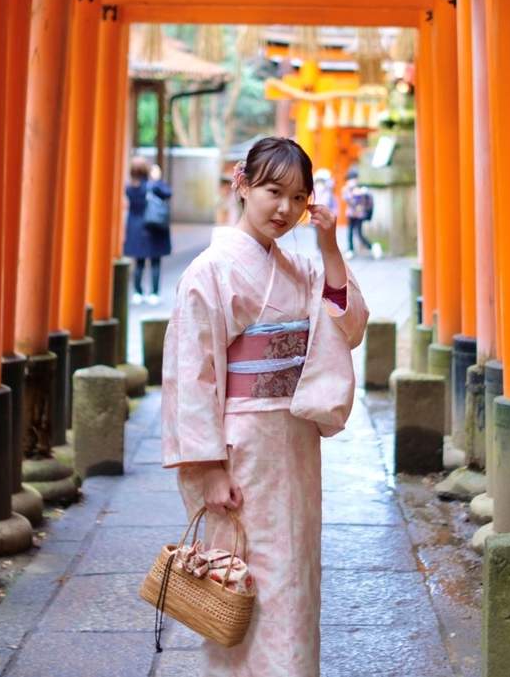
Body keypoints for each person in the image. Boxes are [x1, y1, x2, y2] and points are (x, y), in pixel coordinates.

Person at [161, 136, 369, 677]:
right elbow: (194, 376)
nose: (285, 209)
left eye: (299, 198)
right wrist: (207, 468)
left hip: (293, 443)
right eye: (273, 191)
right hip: (241, 446)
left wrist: (328, 248)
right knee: (246, 576)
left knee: (295, 575)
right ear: (242, 184)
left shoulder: (299, 267)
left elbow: (348, 327)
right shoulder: (211, 270)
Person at [123, 156, 173, 305]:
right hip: (152, 227)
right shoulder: (152, 186)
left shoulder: (129, 188)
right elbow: (168, 193)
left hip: (135, 228)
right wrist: (157, 178)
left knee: (139, 262)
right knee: (155, 262)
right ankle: (154, 293)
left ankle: (138, 293)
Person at [340, 168, 381, 259]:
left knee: (359, 233)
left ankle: (373, 247)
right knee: (350, 232)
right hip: (351, 214)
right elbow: (348, 199)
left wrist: (361, 193)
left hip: (359, 215)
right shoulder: (347, 189)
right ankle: (350, 250)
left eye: (355, 179)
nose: (353, 181)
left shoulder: (362, 189)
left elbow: (367, 201)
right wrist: (356, 193)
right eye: (352, 179)